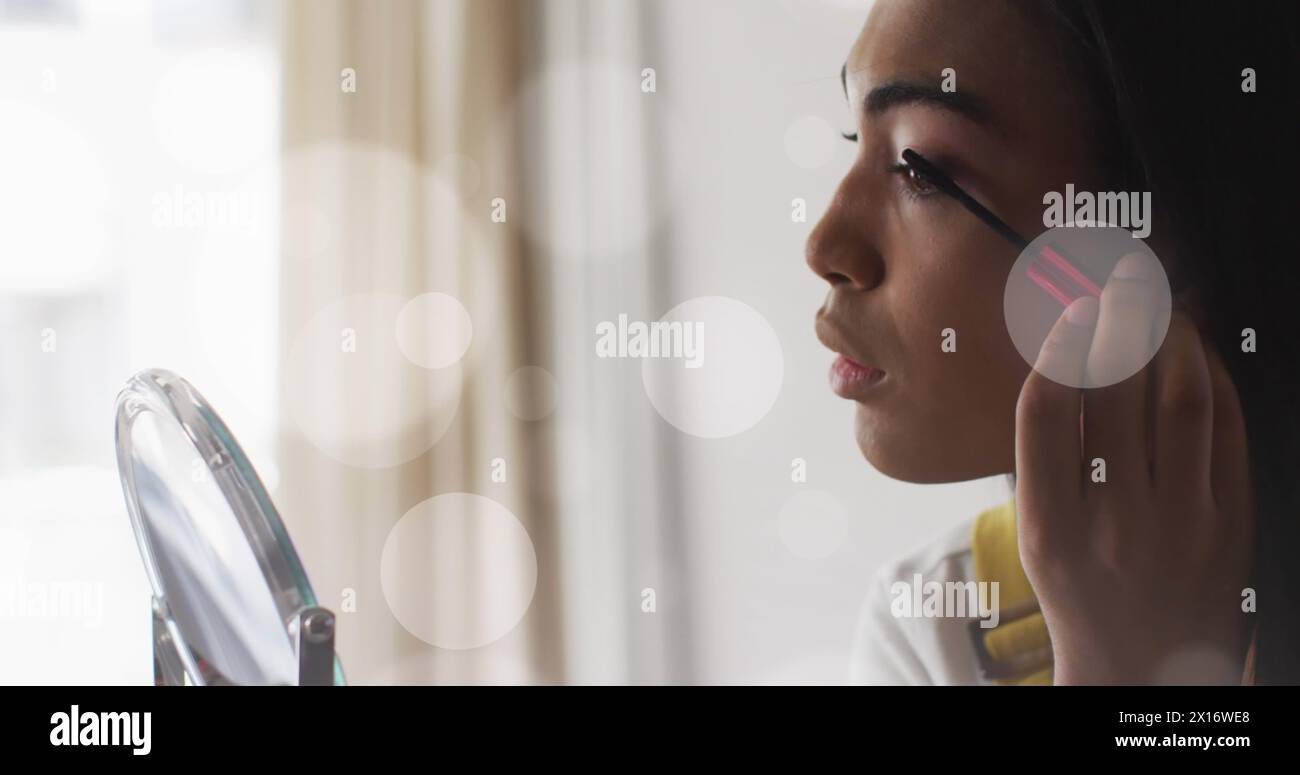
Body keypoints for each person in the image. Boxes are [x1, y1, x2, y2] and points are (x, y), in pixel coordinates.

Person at [806, 0, 1300, 684]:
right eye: (852, 139)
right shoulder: (939, 635)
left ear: (1180, 247)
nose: (825, 246)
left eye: (922, 169)